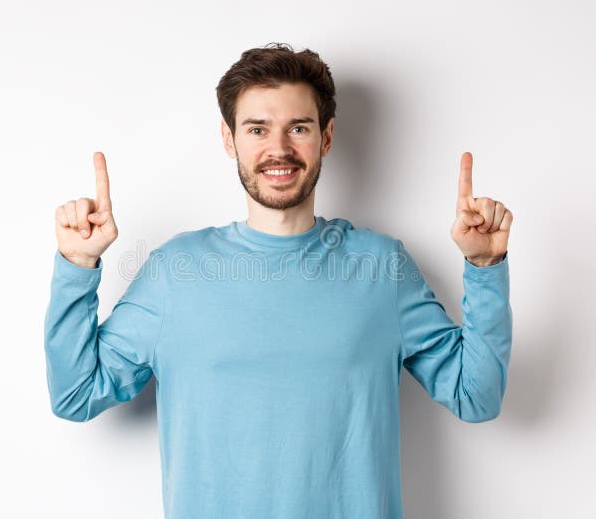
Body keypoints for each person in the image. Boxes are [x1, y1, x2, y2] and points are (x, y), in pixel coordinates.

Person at [44, 42, 514, 519]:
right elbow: (76, 394)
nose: (279, 149)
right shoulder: (174, 272)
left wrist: (485, 267)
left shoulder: (382, 268)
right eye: (257, 129)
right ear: (229, 139)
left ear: (326, 137)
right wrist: (77, 265)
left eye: (298, 128)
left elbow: (476, 397)